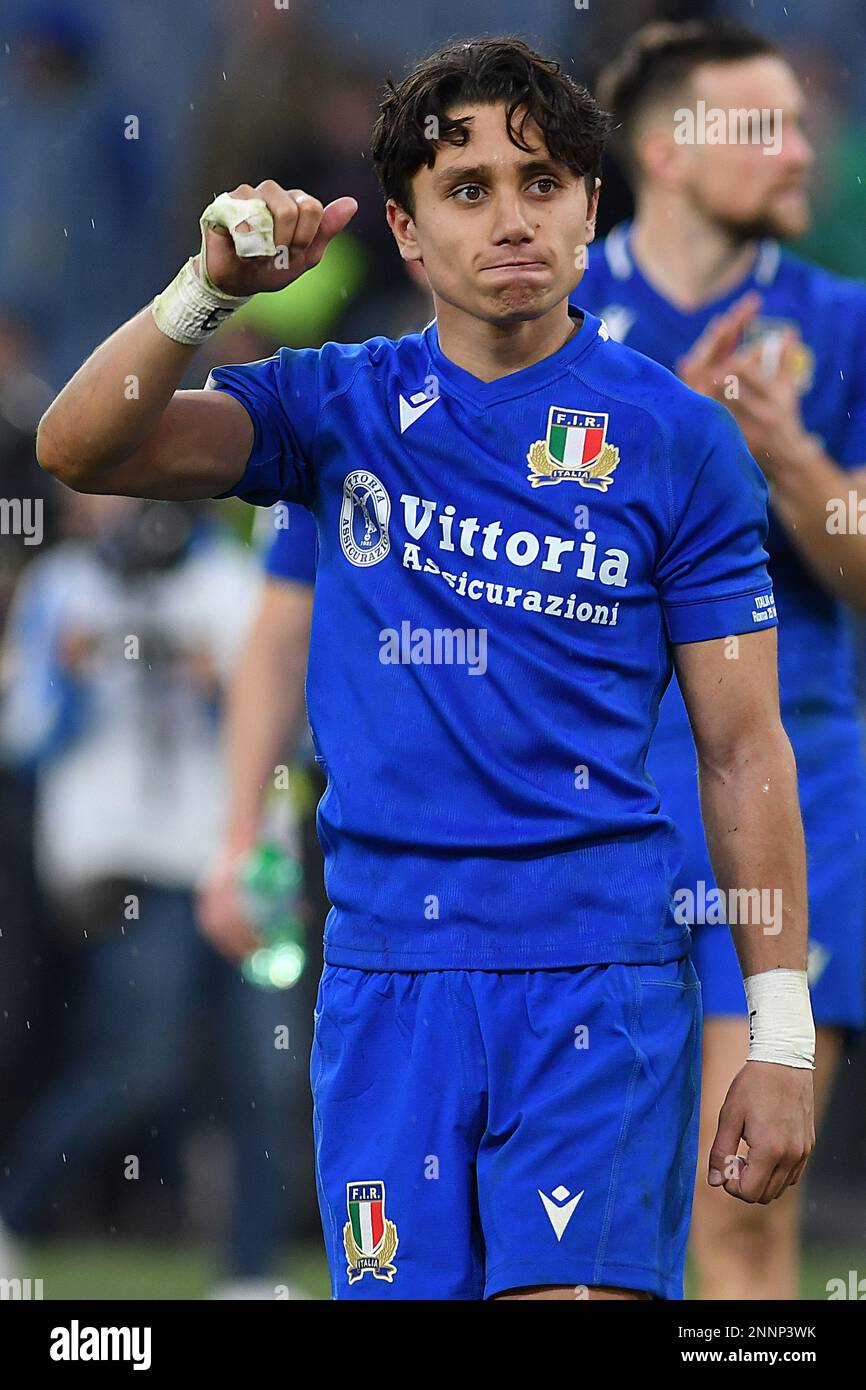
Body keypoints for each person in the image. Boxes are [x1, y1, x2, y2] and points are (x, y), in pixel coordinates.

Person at [36, 36, 814, 1302]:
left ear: (590, 207)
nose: (512, 218)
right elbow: (79, 447)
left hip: (598, 979)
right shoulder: (331, 404)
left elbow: (741, 748)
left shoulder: (679, 440)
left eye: (542, 182)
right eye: (467, 189)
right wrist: (203, 292)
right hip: (385, 983)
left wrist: (779, 1036)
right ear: (402, 230)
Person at [578, 20, 866, 1299]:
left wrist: (780, 447)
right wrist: (674, 444)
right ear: (667, 152)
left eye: (801, 124)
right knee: (588, 1201)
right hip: (593, 783)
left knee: (738, 1197)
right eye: (764, 127)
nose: (800, 151)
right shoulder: (553, 316)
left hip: (789, 778)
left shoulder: (840, 324)